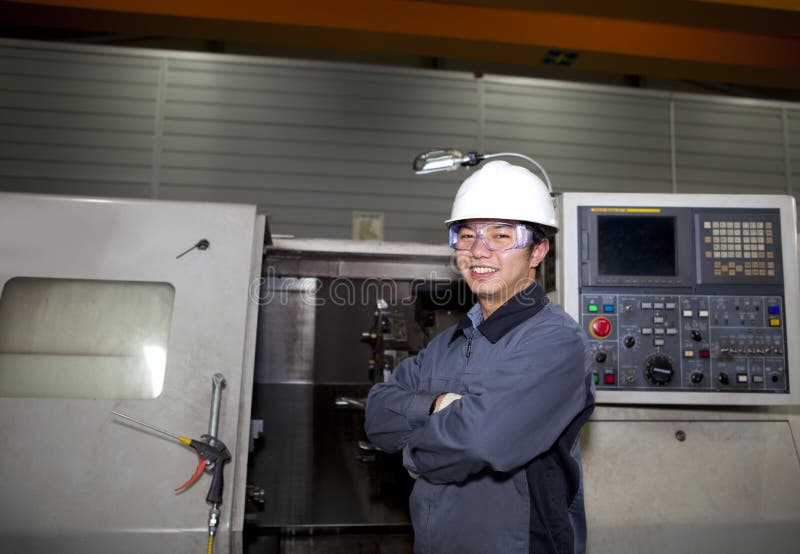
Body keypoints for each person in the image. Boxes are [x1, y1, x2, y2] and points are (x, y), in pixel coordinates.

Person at [364, 160, 595, 554]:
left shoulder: (555, 341)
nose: (477, 251)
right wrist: (439, 405)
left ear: (538, 250)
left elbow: (481, 441)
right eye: (466, 235)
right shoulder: (449, 343)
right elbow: (377, 414)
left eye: (501, 236)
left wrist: (413, 454)